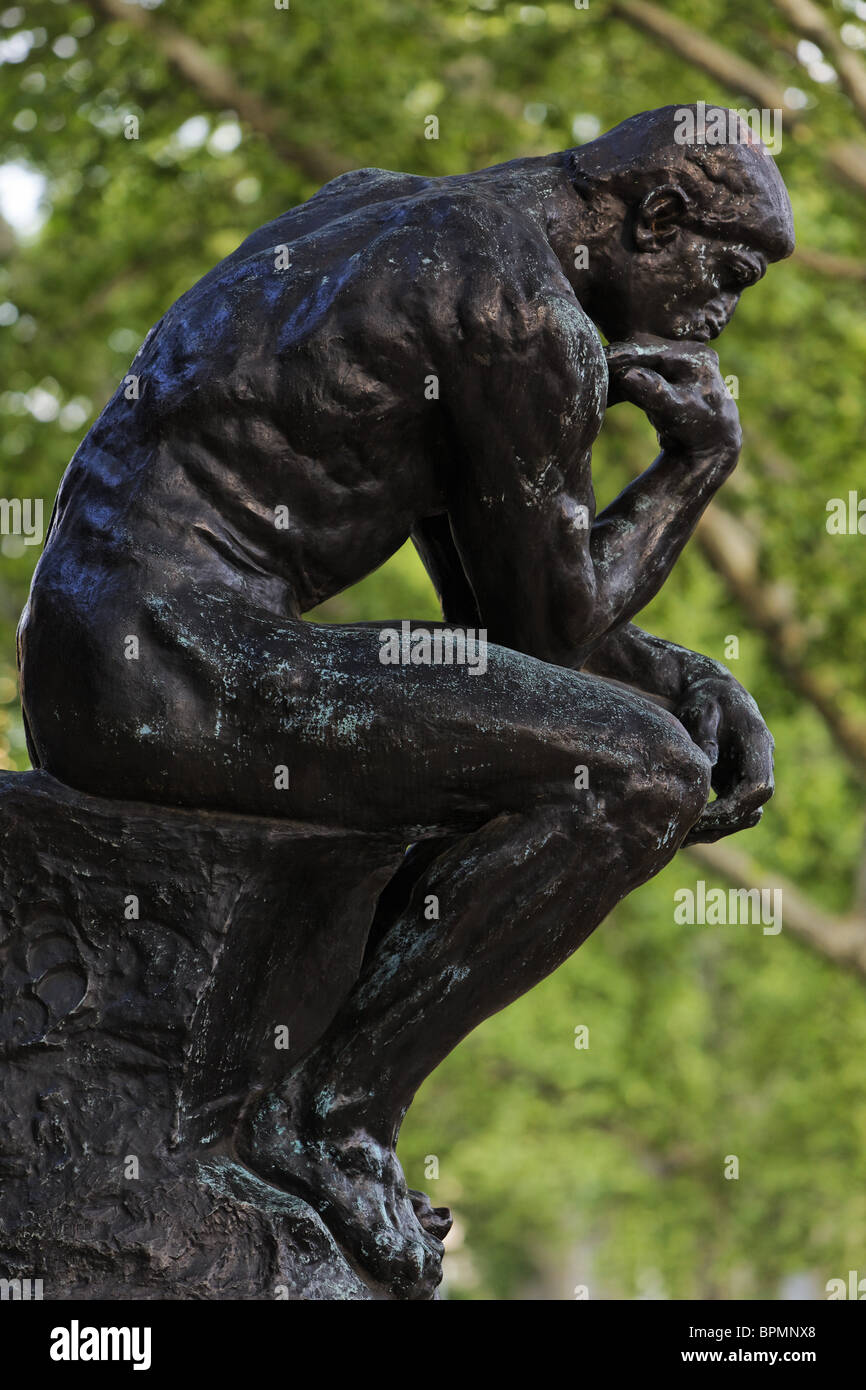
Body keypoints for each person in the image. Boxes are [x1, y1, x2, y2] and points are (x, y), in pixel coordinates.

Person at [17, 105, 794, 1297]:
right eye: (724, 273)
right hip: (169, 665)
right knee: (640, 774)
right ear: (658, 216)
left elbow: (511, 615)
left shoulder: (393, 214)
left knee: (591, 731)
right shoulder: (525, 317)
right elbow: (548, 631)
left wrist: (686, 675)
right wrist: (693, 466)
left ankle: (301, 1095)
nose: (719, 314)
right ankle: (329, 1117)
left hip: (105, 649)